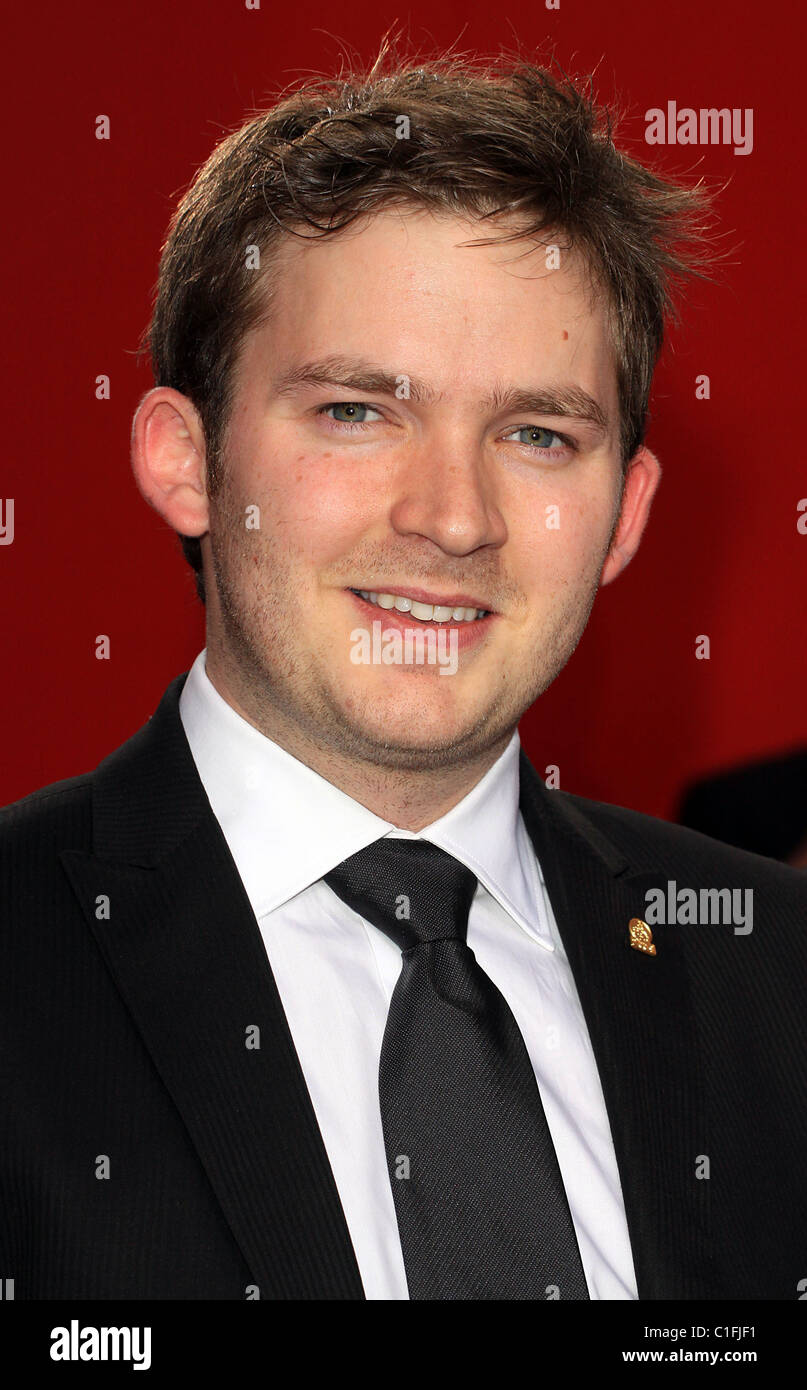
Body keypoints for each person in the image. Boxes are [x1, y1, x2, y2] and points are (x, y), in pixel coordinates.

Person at [1, 43, 805, 1302]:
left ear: (627, 514)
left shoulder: (780, 978)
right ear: (185, 459)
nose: (453, 516)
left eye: (538, 434)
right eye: (357, 411)